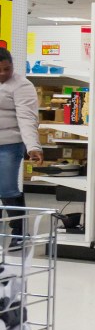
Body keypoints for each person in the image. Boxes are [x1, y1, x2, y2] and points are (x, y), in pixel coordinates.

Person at [0, 48, 44, 242]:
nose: (3, 74)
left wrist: (33, 146)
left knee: (7, 189)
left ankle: (19, 232)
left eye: (7, 69)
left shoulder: (22, 85)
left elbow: (27, 119)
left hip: (9, 144)